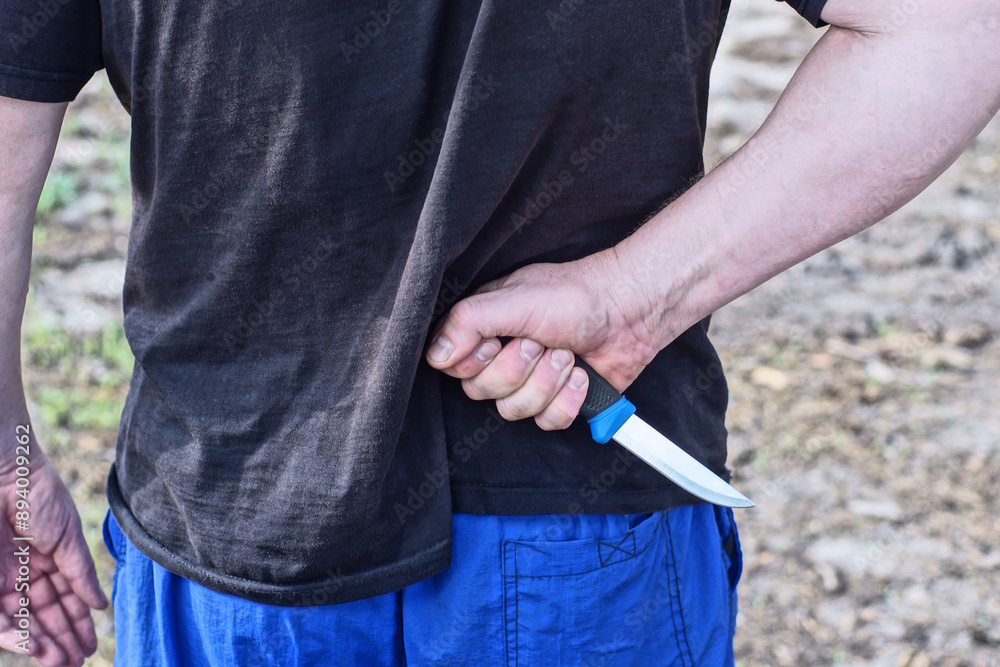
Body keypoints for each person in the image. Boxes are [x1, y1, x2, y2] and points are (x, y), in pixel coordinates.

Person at [1, 0, 997, 664]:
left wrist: (6, 451)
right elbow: (948, 27)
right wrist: (631, 296)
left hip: (253, 500)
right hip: (563, 498)